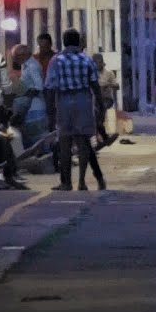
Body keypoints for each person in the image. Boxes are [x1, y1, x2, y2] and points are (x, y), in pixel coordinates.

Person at [45, 28, 105, 191]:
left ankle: (66, 182)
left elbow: (50, 87)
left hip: (63, 101)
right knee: (83, 142)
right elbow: (95, 84)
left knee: (65, 142)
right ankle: (82, 181)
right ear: (78, 42)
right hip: (83, 100)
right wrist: (101, 104)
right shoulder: (86, 60)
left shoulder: (56, 60)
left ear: (64, 42)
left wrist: (50, 111)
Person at [12, 44, 49, 147]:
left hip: (35, 107)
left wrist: (23, 94)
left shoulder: (32, 66)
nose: (15, 60)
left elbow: (39, 86)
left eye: (16, 57)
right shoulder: (26, 65)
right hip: (31, 108)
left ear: (23, 55)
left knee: (39, 139)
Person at [92, 53, 119, 148]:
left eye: (99, 63)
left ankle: (102, 138)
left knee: (99, 115)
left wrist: (108, 85)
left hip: (106, 99)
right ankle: (102, 138)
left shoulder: (109, 73)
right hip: (94, 99)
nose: (98, 65)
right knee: (96, 118)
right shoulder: (91, 73)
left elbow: (117, 86)